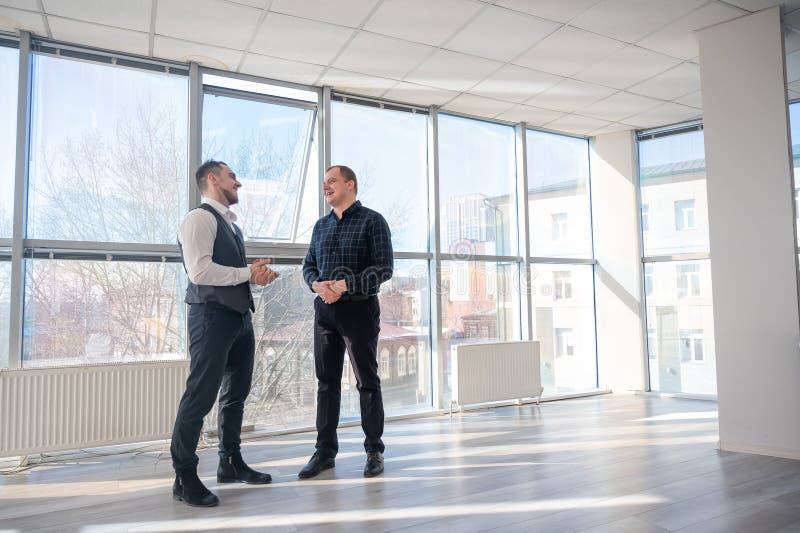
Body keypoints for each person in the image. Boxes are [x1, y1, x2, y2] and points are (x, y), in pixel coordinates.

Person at [171, 160, 279, 507]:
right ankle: (184, 476)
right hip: (210, 318)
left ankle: (229, 462)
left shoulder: (233, 227)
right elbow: (200, 272)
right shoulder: (198, 219)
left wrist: (254, 275)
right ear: (213, 178)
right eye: (233, 176)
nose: (239, 183)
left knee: (236, 395)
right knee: (200, 397)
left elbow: (230, 272)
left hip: (238, 319)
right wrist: (247, 272)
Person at [300, 165, 394, 479]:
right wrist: (317, 285)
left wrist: (343, 285)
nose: (325, 187)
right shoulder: (319, 226)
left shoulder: (373, 221)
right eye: (324, 183)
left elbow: (383, 268)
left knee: (367, 382)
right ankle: (324, 452)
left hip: (359, 310)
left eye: (332, 181)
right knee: (326, 384)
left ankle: (374, 451)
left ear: (349, 184)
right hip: (324, 313)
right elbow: (309, 266)